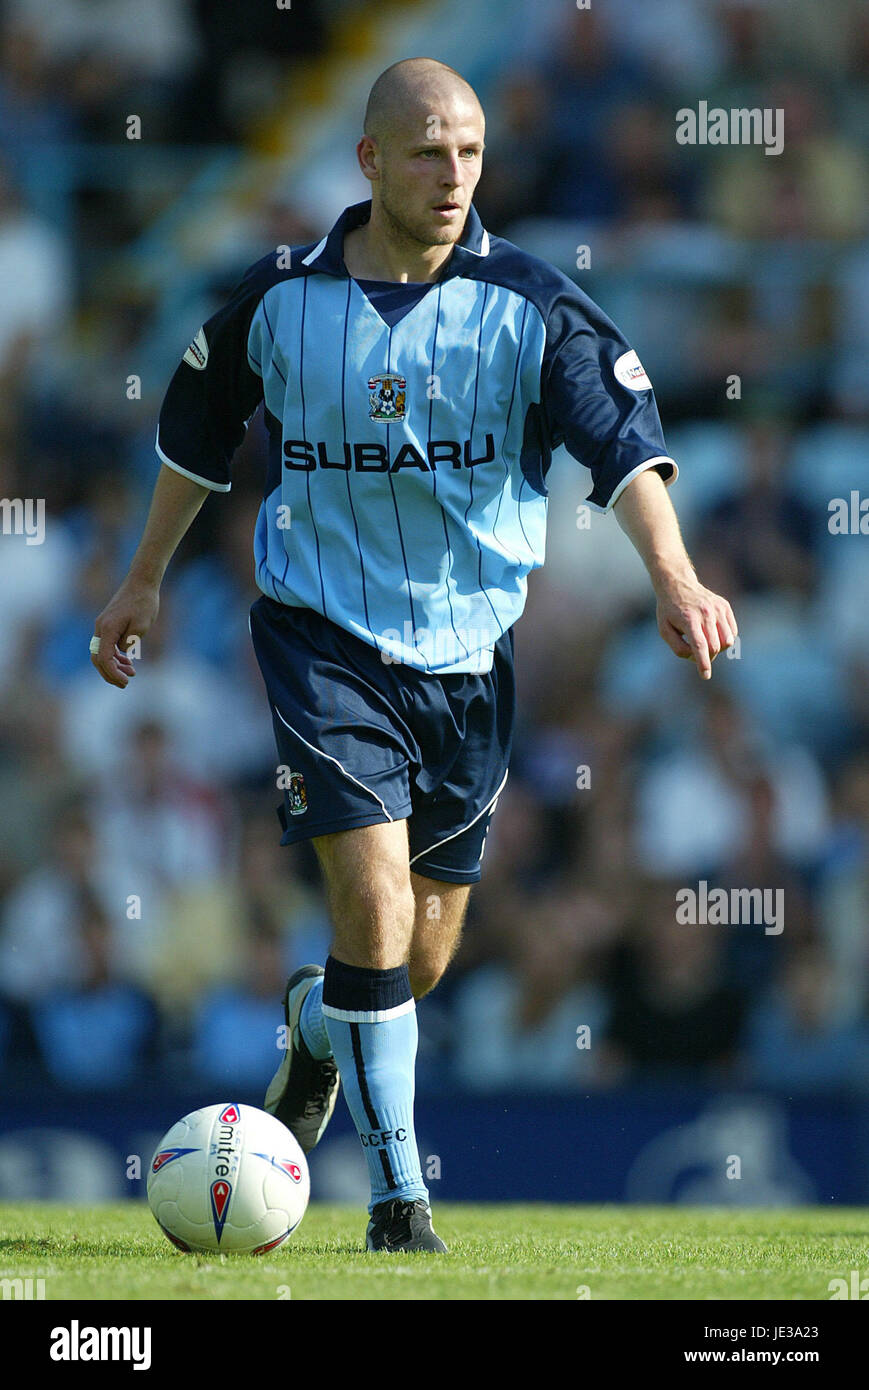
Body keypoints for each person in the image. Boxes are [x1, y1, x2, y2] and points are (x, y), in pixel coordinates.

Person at [90, 57, 737, 1252]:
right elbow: (195, 435)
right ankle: (398, 1199)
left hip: (468, 661)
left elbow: (624, 451)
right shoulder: (279, 296)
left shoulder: (531, 303)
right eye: (430, 151)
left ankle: (316, 1019)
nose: (454, 176)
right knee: (375, 907)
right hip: (319, 638)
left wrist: (674, 572)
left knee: (416, 958)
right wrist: (140, 579)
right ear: (370, 161)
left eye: (472, 151)